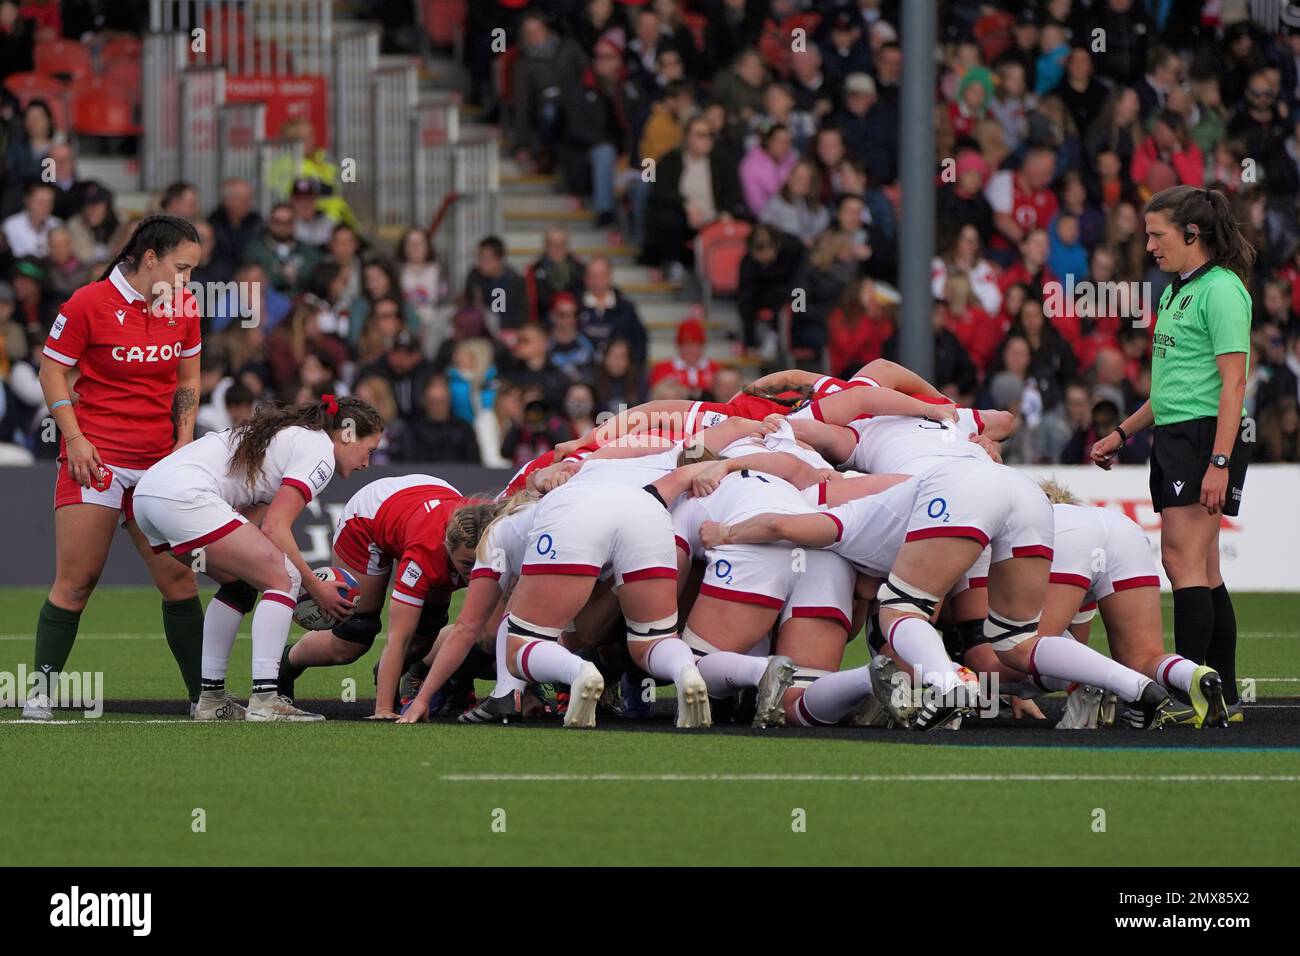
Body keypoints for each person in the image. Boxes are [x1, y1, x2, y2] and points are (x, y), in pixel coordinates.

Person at [24, 216, 206, 719]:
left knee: (181, 583)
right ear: (150, 257)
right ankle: (39, 694)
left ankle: (203, 699)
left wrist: (184, 442)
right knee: (77, 582)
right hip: (96, 459)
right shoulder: (88, 302)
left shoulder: (184, 306)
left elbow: (188, 376)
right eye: (182, 267)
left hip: (158, 466)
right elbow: (52, 370)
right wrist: (75, 439)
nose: (188, 281)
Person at [1092, 185, 1255, 724]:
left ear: (1192, 234)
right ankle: (1222, 696)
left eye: (1157, 235)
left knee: (1181, 562)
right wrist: (1124, 431)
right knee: (1204, 568)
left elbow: (1234, 386)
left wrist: (1220, 461)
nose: (1150, 246)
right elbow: (1171, 388)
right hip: (1179, 435)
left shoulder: (1223, 291)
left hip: (1206, 438)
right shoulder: (1175, 291)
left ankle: (1191, 694)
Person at [131, 395, 383, 721]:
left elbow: (252, 527)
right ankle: (266, 700)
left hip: (148, 500)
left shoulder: (292, 436)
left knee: (241, 585)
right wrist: (313, 588)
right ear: (348, 434)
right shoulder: (320, 451)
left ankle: (211, 700)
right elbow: (275, 528)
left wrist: (275, 584)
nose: (367, 463)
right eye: (369, 450)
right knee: (285, 577)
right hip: (184, 497)